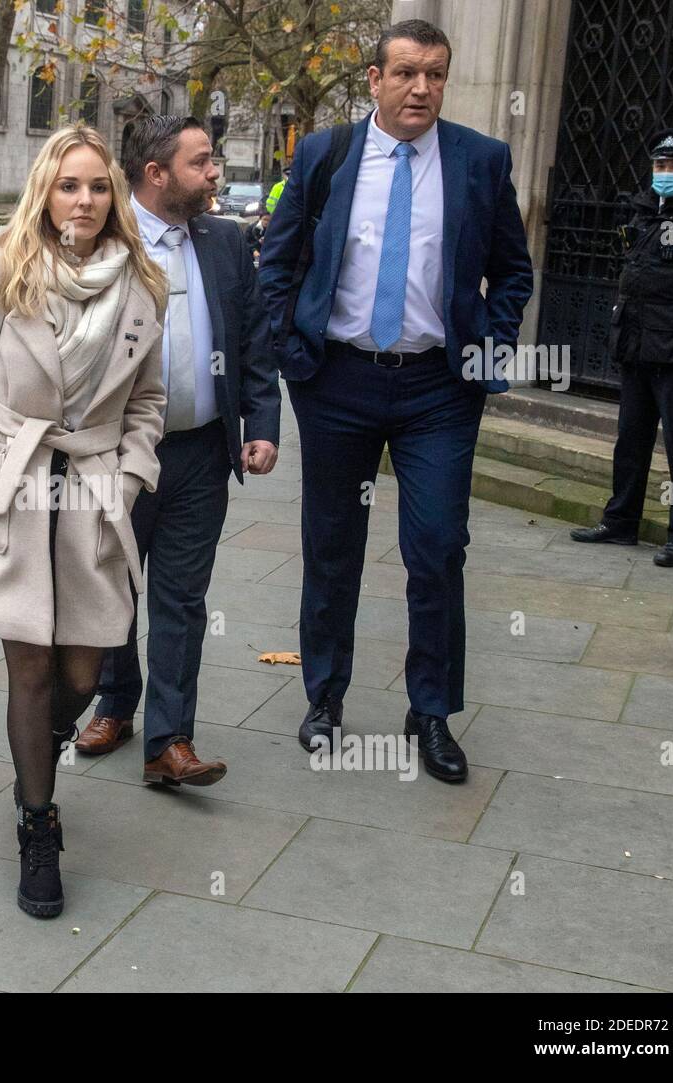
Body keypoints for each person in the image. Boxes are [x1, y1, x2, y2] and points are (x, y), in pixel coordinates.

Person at [258, 19, 533, 783]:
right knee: (332, 544)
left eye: (436, 74)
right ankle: (325, 697)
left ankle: (432, 711)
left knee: (438, 546)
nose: (422, 88)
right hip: (338, 381)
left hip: (438, 389)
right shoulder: (325, 154)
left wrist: (489, 341)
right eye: (407, 72)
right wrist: (292, 354)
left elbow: (513, 269)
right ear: (374, 80)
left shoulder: (480, 160)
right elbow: (276, 264)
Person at [0, 123, 167, 918]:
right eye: (70, 184)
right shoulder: (4, 268)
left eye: (98, 186)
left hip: (96, 495)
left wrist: (134, 475)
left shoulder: (143, 284)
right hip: (16, 488)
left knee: (81, 673)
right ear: (46, 190)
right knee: (30, 669)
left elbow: (149, 402)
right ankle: (39, 825)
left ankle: (31, 750)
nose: (84, 199)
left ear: (116, 194)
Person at [79, 116, 281, 785]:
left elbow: (254, 339)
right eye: (201, 162)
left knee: (181, 597)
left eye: (213, 159)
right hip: (116, 455)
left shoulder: (224, 241)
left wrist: (261, 423)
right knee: (113, 585)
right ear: (156, 174)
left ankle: (169, 739)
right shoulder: (102, 241)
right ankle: (115, 701)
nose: (214, 172)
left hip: (198, 455)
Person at [571, 129, 673, 570]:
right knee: (630, 439)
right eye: (659, 165)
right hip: (636, 345)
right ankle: (621, 521)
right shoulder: (643, 212)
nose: (665, 173)